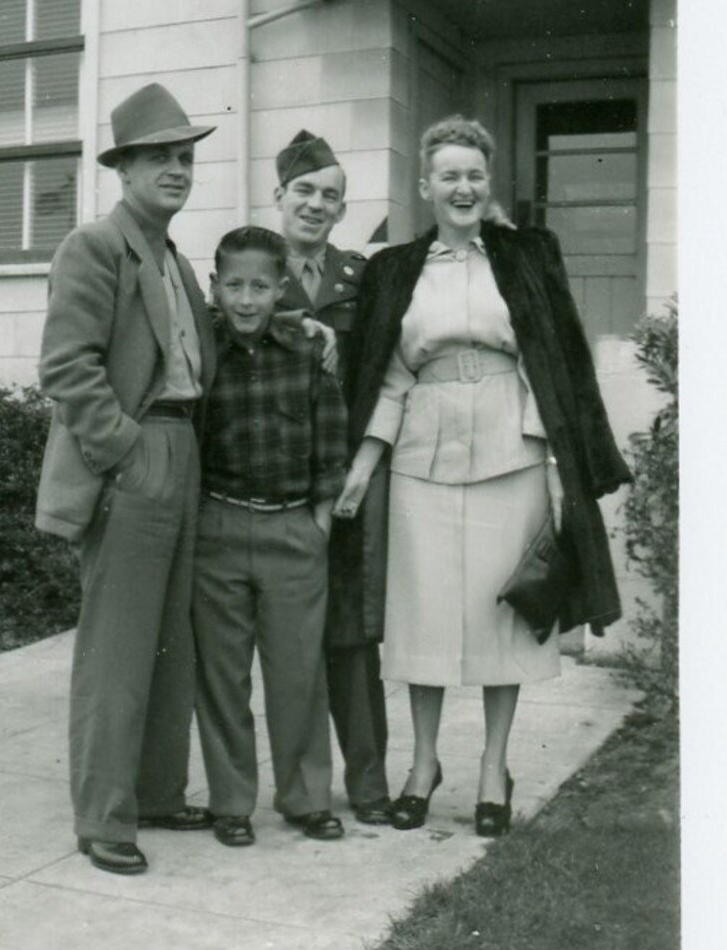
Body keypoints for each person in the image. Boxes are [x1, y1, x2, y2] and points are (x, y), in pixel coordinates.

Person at [333, 115, 630, 836]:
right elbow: (390, 377)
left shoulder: (527, 256)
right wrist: (363, 465)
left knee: (506, 622)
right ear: (425, 185)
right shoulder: (395, 269)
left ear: (487, 182)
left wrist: (559, 466)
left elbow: (550, 365)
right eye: (449, 175)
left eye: (474, 175)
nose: (462, 187)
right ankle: (423, 766)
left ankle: (494, 770)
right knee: (423, 620)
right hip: (420, 460)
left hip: (512, 451)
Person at [35, 82, 218, 876]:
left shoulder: (175, 259)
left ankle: (156, 794)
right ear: (125, 169)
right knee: (119, 647)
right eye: (160, 158)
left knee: (171, 640)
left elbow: (194, 357)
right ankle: (105, 818)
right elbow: (66, 368)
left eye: (184, 157)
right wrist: (125, 452)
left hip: (184, 451)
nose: (177, 169)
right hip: (137, 456)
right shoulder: (96, 246)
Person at [192, 226, 348, 847]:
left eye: (260, 286)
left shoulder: (308, 352)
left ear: (282, 289)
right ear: (215, 287)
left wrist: (321, 517)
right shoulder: (200, 351)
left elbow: (331, 436)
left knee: (298, 672)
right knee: (222, 674)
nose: (247, 299)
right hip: (219, 527)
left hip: (292, 527)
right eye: (234, 285)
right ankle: (231, 801)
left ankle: (305, 797)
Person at [273, 130, 392, 824]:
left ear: (343, 210)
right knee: (292, 643)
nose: (316, 206)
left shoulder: (359, 279)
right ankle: (303, 789)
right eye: (305, 192)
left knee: (350, 635)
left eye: (330, 196)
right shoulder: (251, 267)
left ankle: (369, 785)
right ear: (279, 196)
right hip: (275, 482)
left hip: (344, 479)